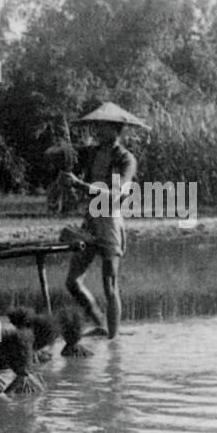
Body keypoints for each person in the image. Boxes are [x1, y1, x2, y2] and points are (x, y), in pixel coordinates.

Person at [57, 102, 147, 341]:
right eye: (97, 126)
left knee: (110, 284)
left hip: (109, 222)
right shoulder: (94, 154)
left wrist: (79, 184)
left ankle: (113, 340)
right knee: (73, 282)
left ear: (116, 130)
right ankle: (100, 322)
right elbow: (74, 170)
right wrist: (68, 182)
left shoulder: (126, 159)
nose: (98, 130)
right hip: (91, 219)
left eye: (103, 127)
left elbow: (117, 195)